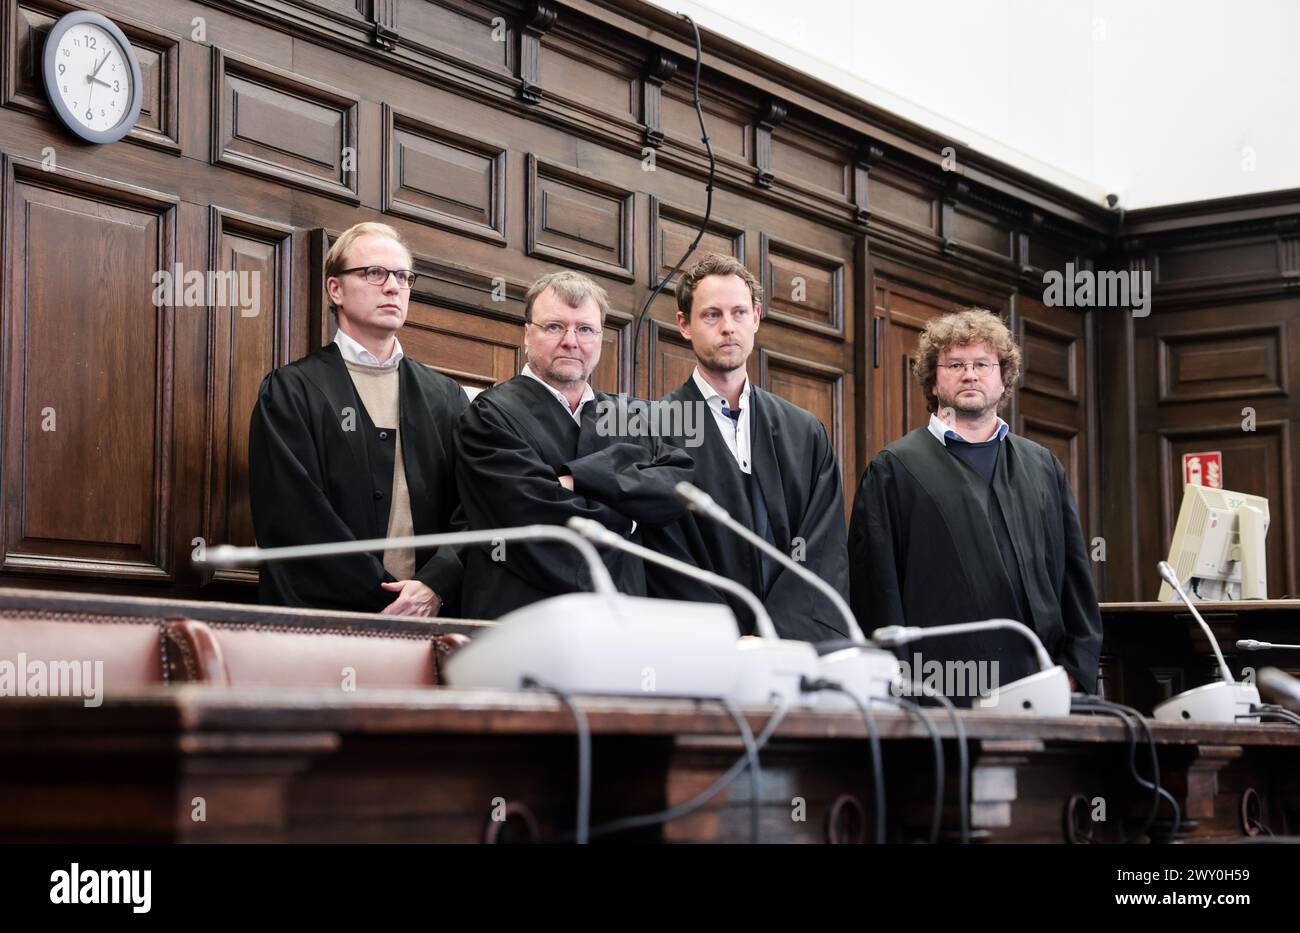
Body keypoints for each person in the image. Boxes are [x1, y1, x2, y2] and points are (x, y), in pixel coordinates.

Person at [847, 308, 1101, 697]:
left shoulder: (1042, 465)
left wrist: (1073, 672)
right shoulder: (894, 470)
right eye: (955, 364)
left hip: (1043, 685)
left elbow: (1075, 580)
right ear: (933, 381)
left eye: (983, 363)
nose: (970, 374)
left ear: (1004, 380)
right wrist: (900, 687)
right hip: (941, 693)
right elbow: (876, 594)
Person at [249, 222, 466, 616]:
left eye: (403, 276)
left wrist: (435, 584)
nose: (393, 287)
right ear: (335, 289)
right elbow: (295, 518)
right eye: (374, 273)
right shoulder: (290, 391)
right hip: (325, 624)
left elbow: (473, 508)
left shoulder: (445, 396)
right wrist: (386, 598)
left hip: (429, 621)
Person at [454, 270, 694, 619]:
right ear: (527, 334)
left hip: (622, 627)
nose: (571, 340)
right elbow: (531, 520)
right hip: (521, 622)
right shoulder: (489, 415)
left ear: (599, 338)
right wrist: (630, 522)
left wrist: (580, 478)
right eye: (554, 326)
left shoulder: (632, 415)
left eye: (585, 329)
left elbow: (678, 486)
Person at [641, 254, 850, 640]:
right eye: (712, 315)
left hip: (792, 649)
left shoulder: (804, 432)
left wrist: (773, 635)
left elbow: (822, 548)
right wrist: (726, 637)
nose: (728, 328)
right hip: (702, 651)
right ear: (684, 325)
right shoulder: (654, 429)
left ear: (756, 317)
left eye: (739, 313)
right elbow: (664, 553)